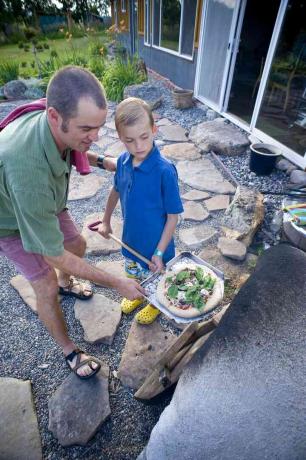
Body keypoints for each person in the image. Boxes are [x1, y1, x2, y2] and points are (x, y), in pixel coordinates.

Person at [0, 66, 145, 379]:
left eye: (99, 127)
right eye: (86, 129)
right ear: (55, 116)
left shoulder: (56, 119)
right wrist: (118, 282)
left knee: (77, 244)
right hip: (9, 219)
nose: (94, 136)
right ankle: (69, 350)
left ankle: (68, 283)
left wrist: (108, 163)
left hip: (45, 202)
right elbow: (51, 253)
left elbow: (76, 146)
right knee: (44, 282)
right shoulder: (25, 167)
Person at [98, 97, 183, 324]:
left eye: (144, 137)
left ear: (154, 130)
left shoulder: (165, 171)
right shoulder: (124, 162)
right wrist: (106, 221)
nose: (139, 146)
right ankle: (137, 295)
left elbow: (173, 217)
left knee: (156, 280)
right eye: (130, 140)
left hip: (157, 248)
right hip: (130, 241)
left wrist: (158, 252)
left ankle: (155, 304)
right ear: (121, 138)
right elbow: (115, 191)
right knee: (133, 272)